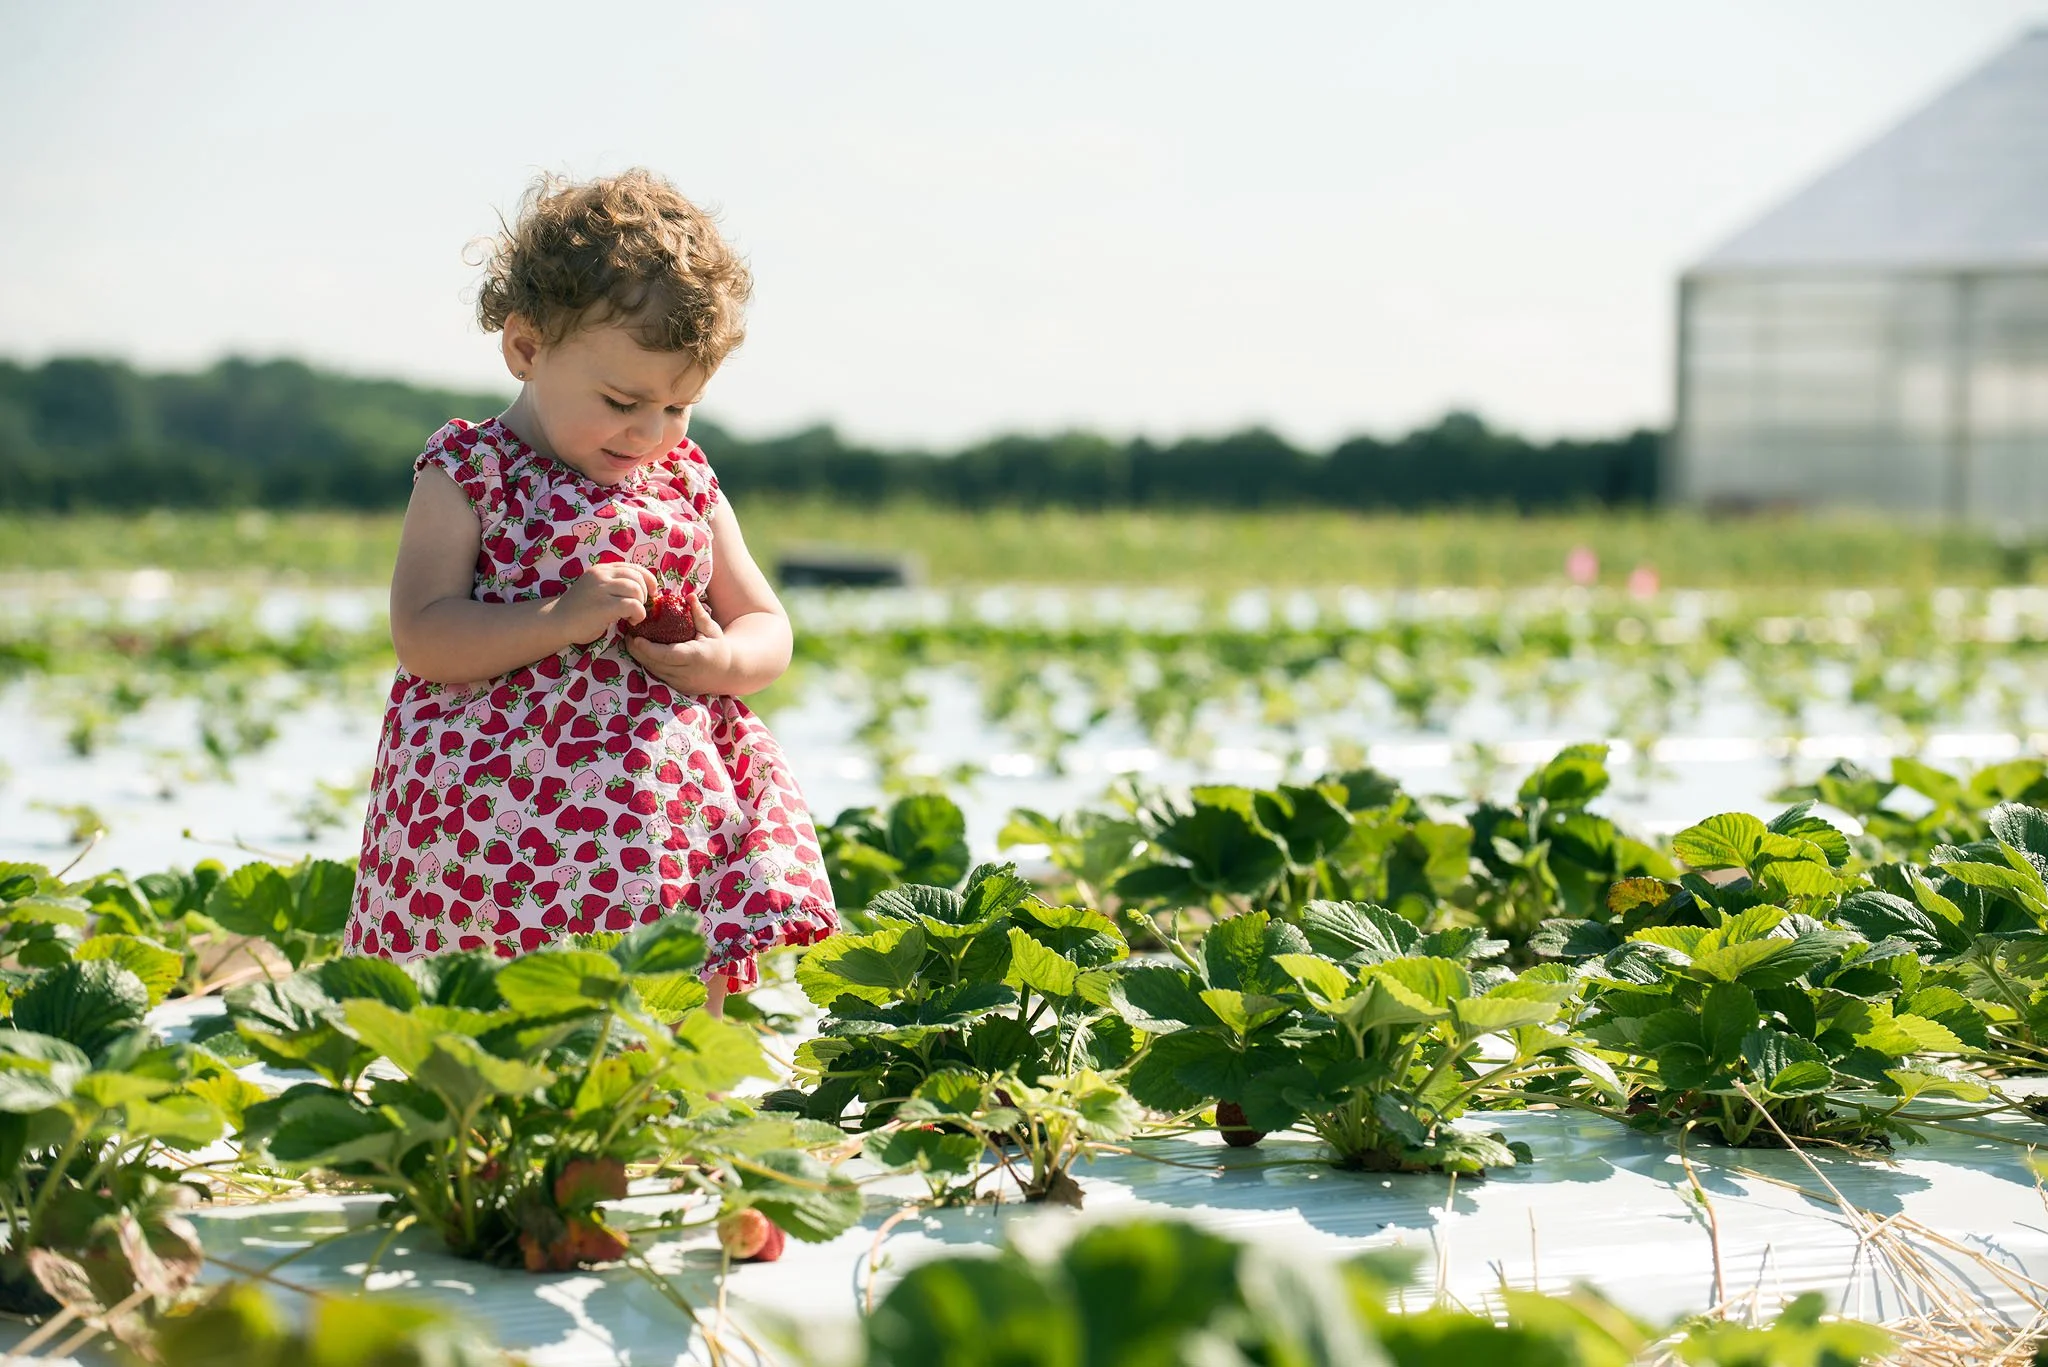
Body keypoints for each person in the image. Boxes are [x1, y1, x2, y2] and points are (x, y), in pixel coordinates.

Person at [343, 169, 838, 1014]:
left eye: (680, 405)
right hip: (485, 818)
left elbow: (767, 624)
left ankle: (673, 1110)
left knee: (672, 976)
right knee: (484, 999)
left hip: (656, 811)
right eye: (621, 401)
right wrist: (559, 618)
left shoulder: (682, 478)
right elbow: (423, 634)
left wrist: (722, 657)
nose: (649, 432)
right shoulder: (472, 470)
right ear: (527, 347)